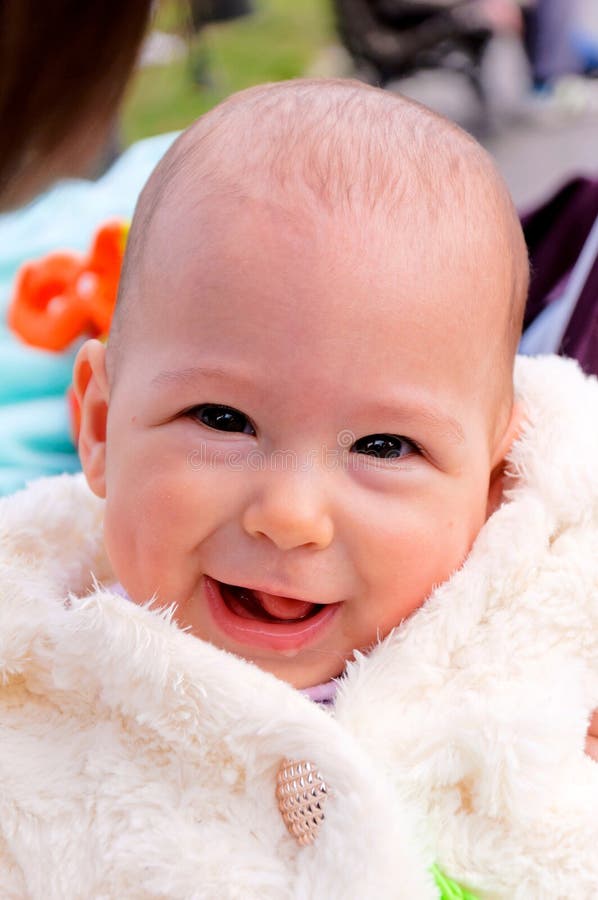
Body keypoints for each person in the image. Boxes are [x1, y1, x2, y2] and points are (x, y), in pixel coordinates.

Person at [0, 79, 596, 897]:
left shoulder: (546, 637)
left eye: (385, 445)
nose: (290, 517)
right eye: (221, 419)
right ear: (100, 428)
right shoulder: (34, 683)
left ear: (494, 477)